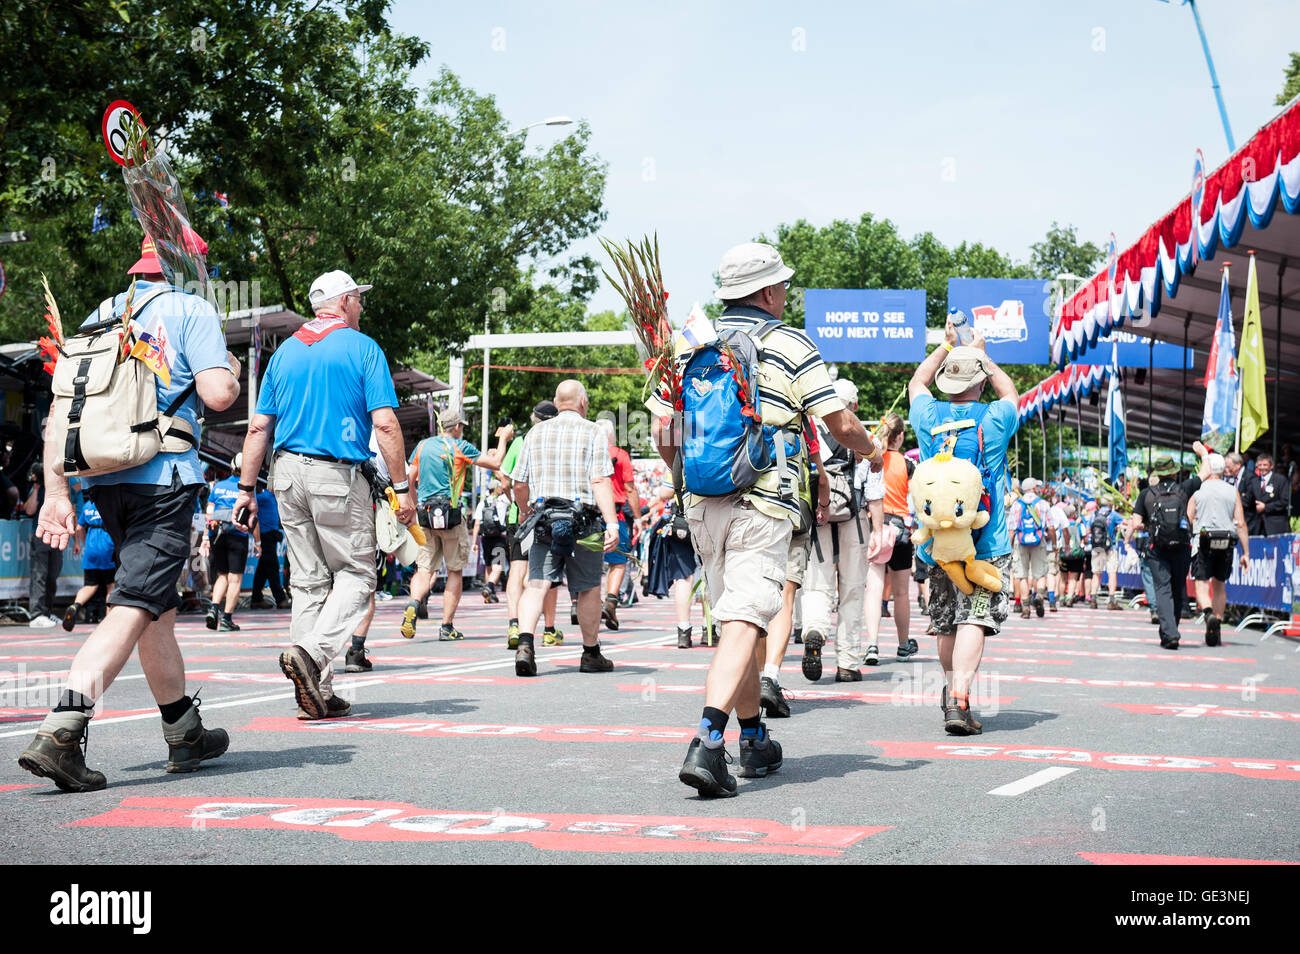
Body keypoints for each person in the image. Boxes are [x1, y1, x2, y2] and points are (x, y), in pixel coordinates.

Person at [651, 243, 881, 796]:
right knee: (745, 620)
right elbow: (838, 424)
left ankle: (753, 739)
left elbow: (663, 434)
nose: (785, 293)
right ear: (768, 292)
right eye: (782, 285)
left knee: (740, 617)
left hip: (702, 503)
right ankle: (708, 742)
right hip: (764, 499)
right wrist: (873, 451)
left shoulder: (688, 342)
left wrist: (696, 473)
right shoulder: (791, 342)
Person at [18, 234, 241, 791]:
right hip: (163, 477)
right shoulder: (192, 309)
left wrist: (57, 492)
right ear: (188, 264)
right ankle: (62, 730)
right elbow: (217, 395)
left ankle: (183, 731)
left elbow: (61, 415)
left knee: (155, 608)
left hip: (106, 480)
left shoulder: (102, 313)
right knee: (136, 601)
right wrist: (230, 369)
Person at [234, 268, 415, 720]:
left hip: (286, 474)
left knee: (309, 581)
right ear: (346, 300)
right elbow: (387, 423)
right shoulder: (363, 348)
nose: (362, 307)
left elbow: (259, 427)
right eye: (359, 300)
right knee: (357, 574)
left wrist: (245, 489)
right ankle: (313, 656)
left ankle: (318, 691)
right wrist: (402, 488)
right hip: (336, 475)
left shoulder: (285, 353)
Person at [908, 315, 1018, 735]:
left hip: (937, 541)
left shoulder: (928, 414)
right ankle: (960, 698)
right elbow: (1010, 392)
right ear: (980, 382)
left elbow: (917, 383)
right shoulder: (993, 419)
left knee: (946, 620)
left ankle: (950, 688)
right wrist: (984, 358)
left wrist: (946, 347)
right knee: (975, 615)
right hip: (986, 541)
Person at [509, 379, 618, 676]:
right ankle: (590, 653)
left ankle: (526, 645)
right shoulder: (594, 431)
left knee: (536, 584)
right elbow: (600, 480)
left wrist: (525, 511)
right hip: (588, 521)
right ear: (583, 403)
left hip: (544, 518)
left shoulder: (535, 432)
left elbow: (518, 483)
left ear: (556, 404)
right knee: (589, 588)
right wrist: (611, 522)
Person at [399, 408, 512, 642]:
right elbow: (495, 462)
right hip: (451, 516)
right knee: (454, 570)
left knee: (424, 569)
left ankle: (413, 604)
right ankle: (446, 626)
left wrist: (413, 505)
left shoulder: (422, 446)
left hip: (425, 514)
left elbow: (410, 478)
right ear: (457, 427)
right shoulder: (460, 446)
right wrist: (503, 439)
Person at [805, 379, 879, 679]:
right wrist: (878, 528)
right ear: (855, 405)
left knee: (816, 585)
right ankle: (848, 662)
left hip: (819, 514)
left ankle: (814, 630)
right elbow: (874, 486)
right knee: (852, 588)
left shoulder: (809, 431)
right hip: (853, 516)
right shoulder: (862, 434)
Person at [500, 401, 565, 648]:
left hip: (521, 518)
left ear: (532, 417)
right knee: (547, 574)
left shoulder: (521, 442)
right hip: (549, 516)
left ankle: (514, 624)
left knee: (517, 571)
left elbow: (505, 480)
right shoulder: (557, 441)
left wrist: (520, 507)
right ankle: (548, 629)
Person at [1134, 455, 1201, 651]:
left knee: (1162, 590)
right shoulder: (1184, 489)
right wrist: (1202, 452)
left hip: (1158, 549)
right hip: (1181, 547)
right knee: (1177, 589)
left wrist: (1148, 525)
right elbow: (1207, 472)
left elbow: (1137, 522)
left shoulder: (1146, 493)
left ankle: (1170, 634)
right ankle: (1171, 630)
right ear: (1174, 472)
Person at [1189, 453, 1250, 646]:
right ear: (1223, 470)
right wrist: (1246, 553)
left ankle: (1208, 614)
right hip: (1226, 541)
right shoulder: (1232, 491)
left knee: (1201, 583)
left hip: (1203, 540)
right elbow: (1240, 523)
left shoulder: (1198, 490)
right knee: (1219, 585)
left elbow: (1189, 517)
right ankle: (1218, 622)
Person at [877, 413, 920, 655]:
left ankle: (871, 644)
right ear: (900, 436)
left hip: (875, 526)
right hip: (899, 528)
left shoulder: (873, 459)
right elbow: (914, 499)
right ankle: (903, 643)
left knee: (873, 589)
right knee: (901, 592)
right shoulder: (907, 464)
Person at [205, 454, 260, 632]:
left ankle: (213, 608)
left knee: (222, 575)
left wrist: (206, 538)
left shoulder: (218, 487)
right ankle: (227, 619)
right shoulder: (247, 491)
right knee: (235, 579)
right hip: (237, 535)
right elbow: (254, 519)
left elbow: (209, 514)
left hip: (217, 535)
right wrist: (258, 541)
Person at [598, 418, 640, 631]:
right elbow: (630, 489)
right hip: (615, 517)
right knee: (618, 562)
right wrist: (638, 517)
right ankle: (611, 600)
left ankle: (582, 604)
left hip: (590, 516)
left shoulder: (587, 452)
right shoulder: (620, 455)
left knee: (590, 563)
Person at [60, 495, 117, 631]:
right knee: (111, 585)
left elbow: (79, 528)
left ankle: (75, 606)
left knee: (90, 585)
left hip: (91, 549)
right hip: (108, 547)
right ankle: (108, 619)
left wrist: (84, 543)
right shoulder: (109, 502)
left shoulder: (87, 506)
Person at [24, 463, 62, 627]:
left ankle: (47, 612)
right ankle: (36, 614)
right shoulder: (37, 488)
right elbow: (29, 510)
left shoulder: (61, 486)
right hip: (40, 534)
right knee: (39, 574)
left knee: (52, 575)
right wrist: (37, 487)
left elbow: (73, 503)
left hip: (57, 534)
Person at [1010, 477, 1051, 619]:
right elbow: (1050, 526)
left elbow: (1012, 528)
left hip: (1021, 542)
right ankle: (1039, 595)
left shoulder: (1016, 505)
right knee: (1040, 573)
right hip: (1038, 540)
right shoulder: (1043, 504)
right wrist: (1054, 543)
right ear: (1033, 488)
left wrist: (1009, 547)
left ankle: (1026, 608)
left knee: (1022, 575)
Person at [471, 475, 511, 603]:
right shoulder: (503, 501)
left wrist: (474, 542)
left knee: (488, 566)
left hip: (485, 538)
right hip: (499, 538)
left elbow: (477, 523)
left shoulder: (482, 503)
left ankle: (489, 596)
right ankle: (489, 587)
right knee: (498, 565)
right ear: (497, 489)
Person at [250, 480, 288, 609]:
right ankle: (280, 598)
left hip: (271, 534)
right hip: (265, 535)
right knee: (272, 566)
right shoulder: (261, 496)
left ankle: (256, 598)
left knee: (263, 569)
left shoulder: (270, 495)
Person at [1239, 452, 1291, 536]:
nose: (1262, 467)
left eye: (1265, 465)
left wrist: (1266, 507)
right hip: (1258, 526)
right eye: (1260, 465)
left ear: (1271, 466)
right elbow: (1247, 500)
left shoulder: (1281, 480)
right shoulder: (1254, 481)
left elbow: (1284, 501)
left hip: (1276, 526)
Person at [1086, 495, 1124, 609]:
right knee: (1112, 573)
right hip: (1110, 546)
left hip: (1097, 547)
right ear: (1110, 503)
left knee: (1096, 573)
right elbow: (1125, 522)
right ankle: (1111, 600)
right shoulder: (1113, 515)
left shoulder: (1094, 514)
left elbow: (1088, 530)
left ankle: (1093, 599)